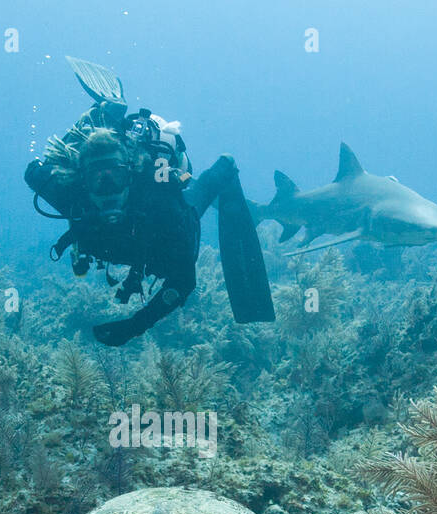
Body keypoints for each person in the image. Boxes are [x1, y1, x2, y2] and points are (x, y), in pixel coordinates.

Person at [25, 58, 273, 346]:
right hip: (121, 220)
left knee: (204, 189)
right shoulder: (73, 196)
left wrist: (135, 325)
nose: (107, 189)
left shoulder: (161, 207)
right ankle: (106, 114)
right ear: (83, 181)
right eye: (97, 179)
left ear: (129, 175)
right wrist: (84, 129)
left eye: (114, 176)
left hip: (172, 222)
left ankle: (225, 166)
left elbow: (183, 283)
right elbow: (33, 172)